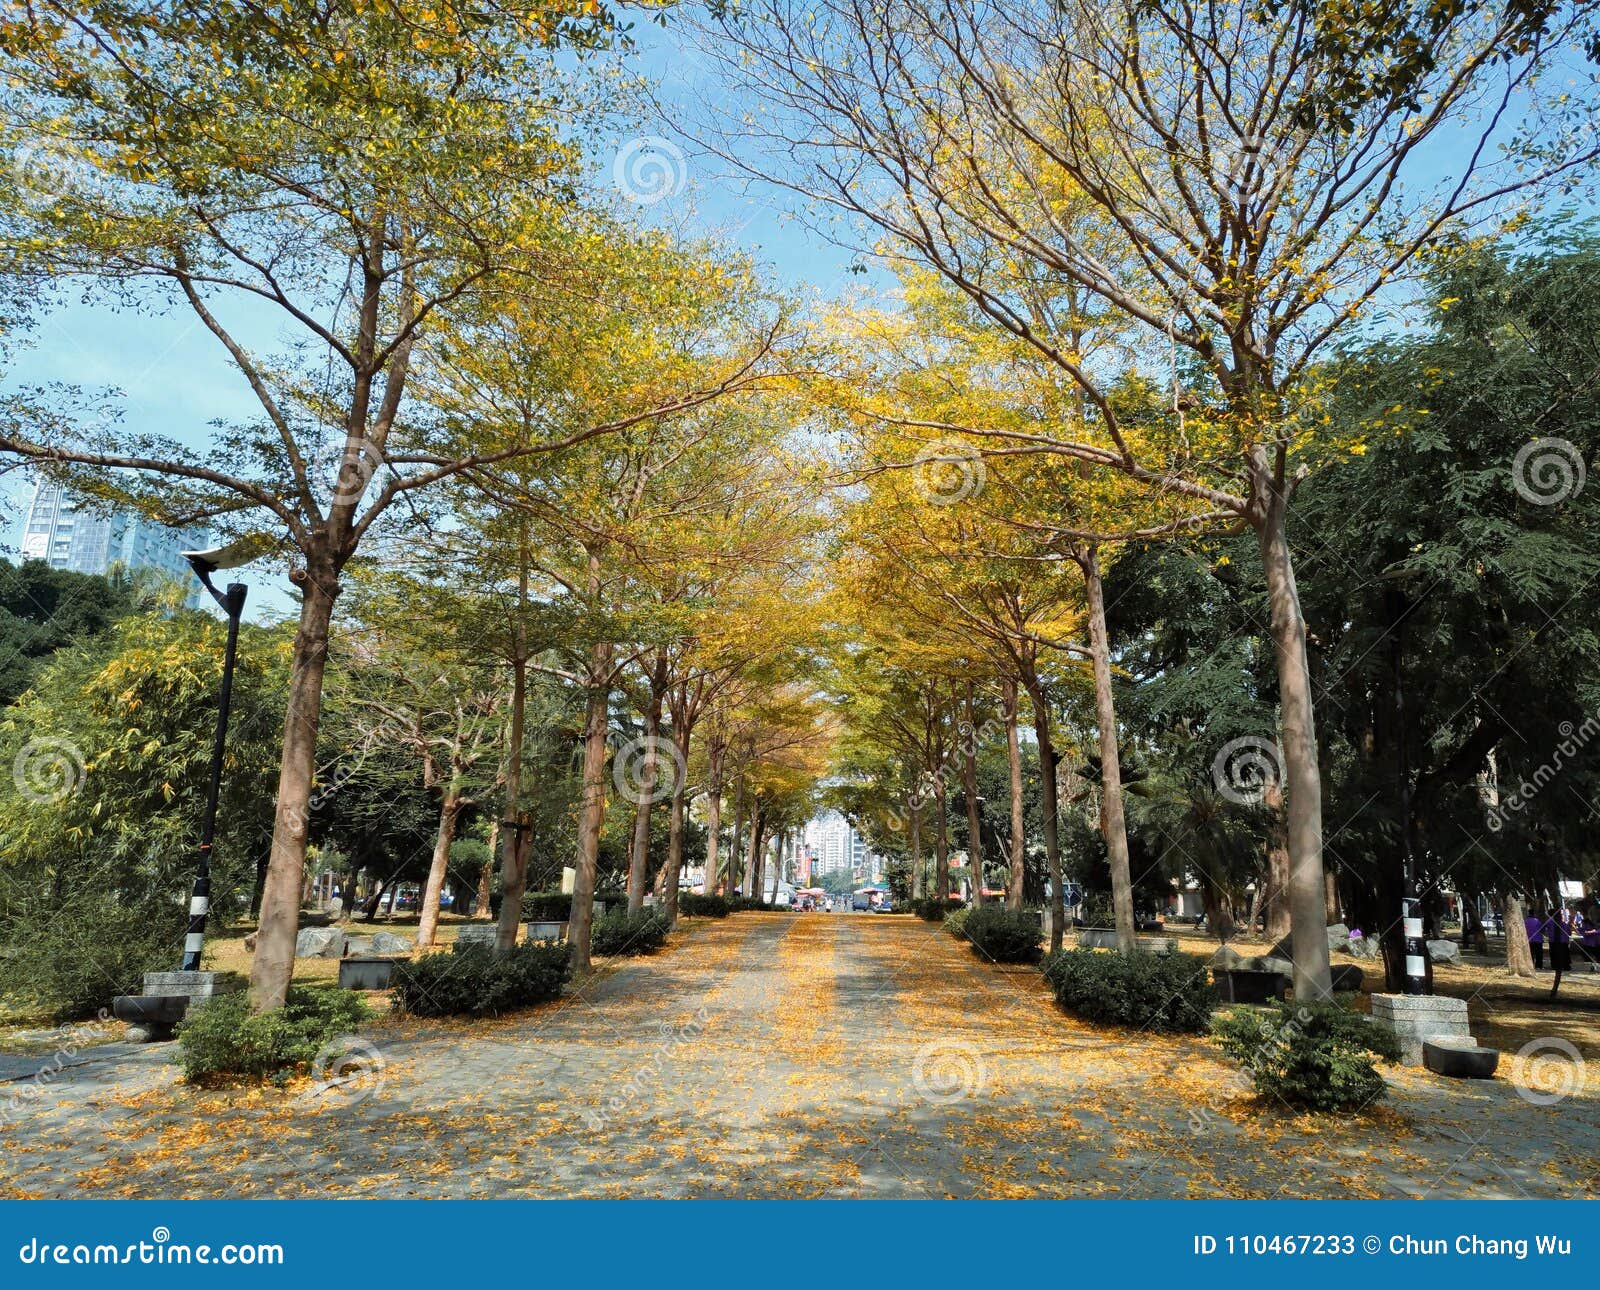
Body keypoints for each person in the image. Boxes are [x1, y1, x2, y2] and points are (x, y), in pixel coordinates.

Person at [1548, 907, 1572, 998]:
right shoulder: (1563, 923)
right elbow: (1569, 932)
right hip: (1564, 942)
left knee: (1555, 955)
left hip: (1554, 942)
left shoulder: (1550, 922)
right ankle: (1566, 966)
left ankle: (1556, 965)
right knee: (1565, 955)